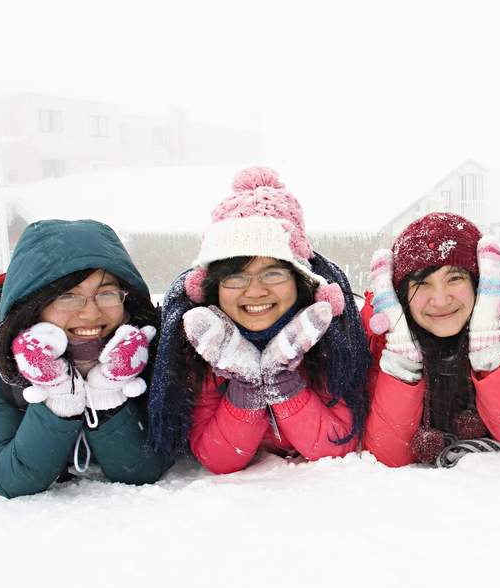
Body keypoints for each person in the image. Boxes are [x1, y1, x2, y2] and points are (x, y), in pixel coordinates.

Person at [147, 168, 370, 474]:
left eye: (273, 273)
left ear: (300, 281)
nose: (255, 291)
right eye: (236, 276)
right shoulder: (203, 346)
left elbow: (337, 444)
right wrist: (246, 381)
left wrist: (281, 378)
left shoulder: (328, 341)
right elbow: (218, 458)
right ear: (211, 287)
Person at [0, 219, 173, 498]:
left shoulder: (147, 347)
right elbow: (5, 479)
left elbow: (143, 469)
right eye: (67, 296)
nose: (91, 313)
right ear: (34, 304)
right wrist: (58, 399)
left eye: (106, 293)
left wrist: (107, 397)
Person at [363, 213, 500, 467]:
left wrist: (487, 339)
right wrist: (401, 352)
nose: (440, 299)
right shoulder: (384, 327)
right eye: (422, 283)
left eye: (455, 278)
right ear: (402, 294)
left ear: (478, 283)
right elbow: (387, 455)